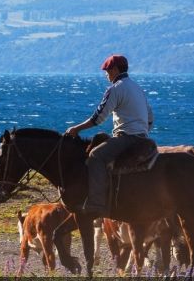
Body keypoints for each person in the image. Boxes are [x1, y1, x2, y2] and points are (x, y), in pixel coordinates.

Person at [64, 54, 155, 216]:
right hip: (143, 138)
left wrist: (76, 129)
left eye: (107, 70)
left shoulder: (115, 89)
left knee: (95, 157)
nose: (106, 74)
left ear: (115, 69)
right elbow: (150, 119)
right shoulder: (137, 88)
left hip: (127, 138)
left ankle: (96, 204)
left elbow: (98, 118)